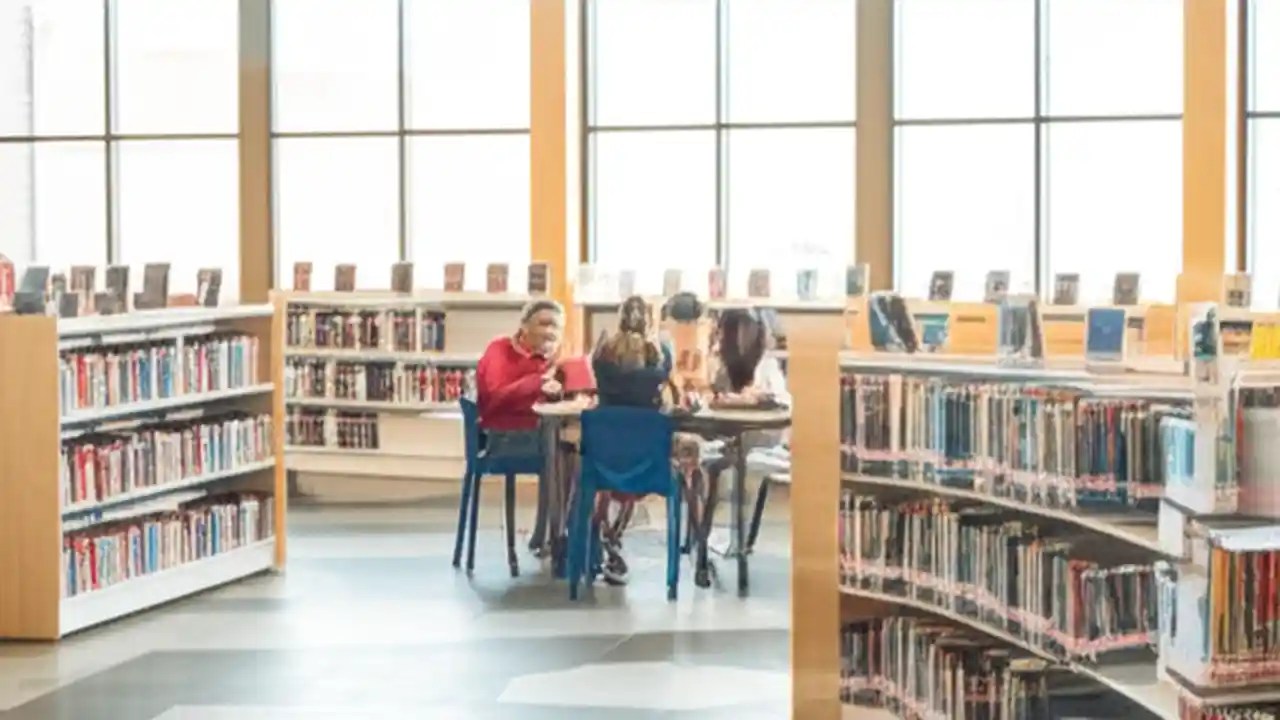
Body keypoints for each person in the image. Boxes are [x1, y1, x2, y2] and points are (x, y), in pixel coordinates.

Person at [685, 306, 790, 588]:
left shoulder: (766, 365)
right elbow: (716, 400)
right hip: (728, 438)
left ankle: (715, 540)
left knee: (720, 466)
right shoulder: (723, 365)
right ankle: (702, 541)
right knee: (707, 465)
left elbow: (780, 404)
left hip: (761, 440)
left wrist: (752, 398)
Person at [589, 295, 674, 585]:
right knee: (631, 477)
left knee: (593, 475)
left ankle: (598, 541)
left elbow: (596, 365)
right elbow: (666, 381)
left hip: (604, 456)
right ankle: (614, 538)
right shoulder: (660, 355)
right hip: (646, 463)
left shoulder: (603, 355)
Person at [475, 299, 565, 458]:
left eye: (556, 327)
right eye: (544, 324)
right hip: (500, 436)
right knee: (566, 446)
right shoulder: (500, 349)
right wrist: (537, 382)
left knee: (580, 439)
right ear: (524, 326)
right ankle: (557, 483)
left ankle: (560, 483)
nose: (550, 332)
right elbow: (494, 398)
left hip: (537, 430)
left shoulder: (550, 359)